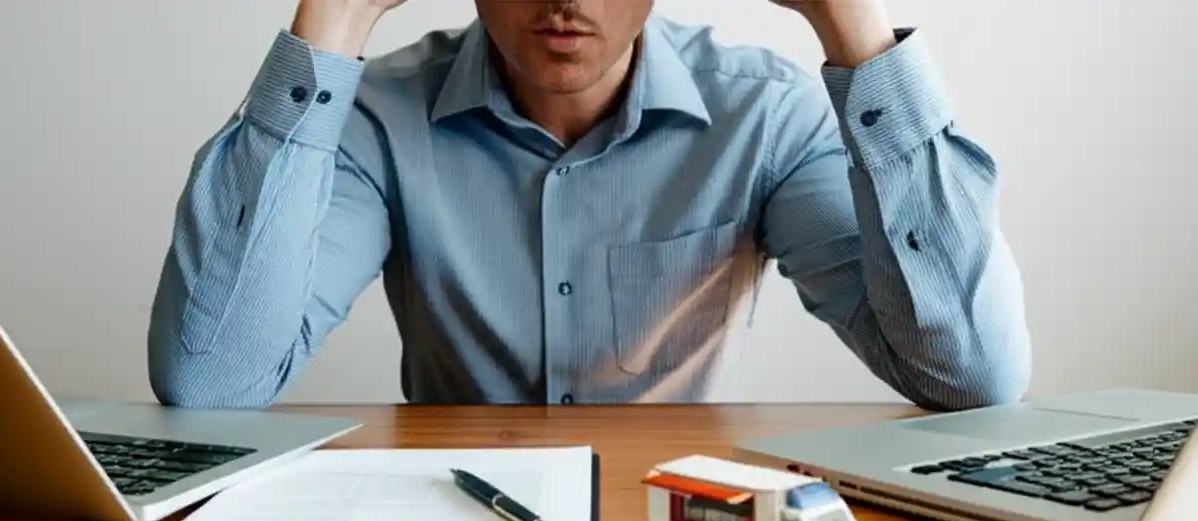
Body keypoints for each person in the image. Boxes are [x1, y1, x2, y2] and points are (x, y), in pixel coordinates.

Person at [147, 0, 1031, 411]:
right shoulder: (382, 115)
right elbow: (210, 380)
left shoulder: (764, 115)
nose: (568, 0)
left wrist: (853, 24)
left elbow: (973, 377)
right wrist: (332, 19)